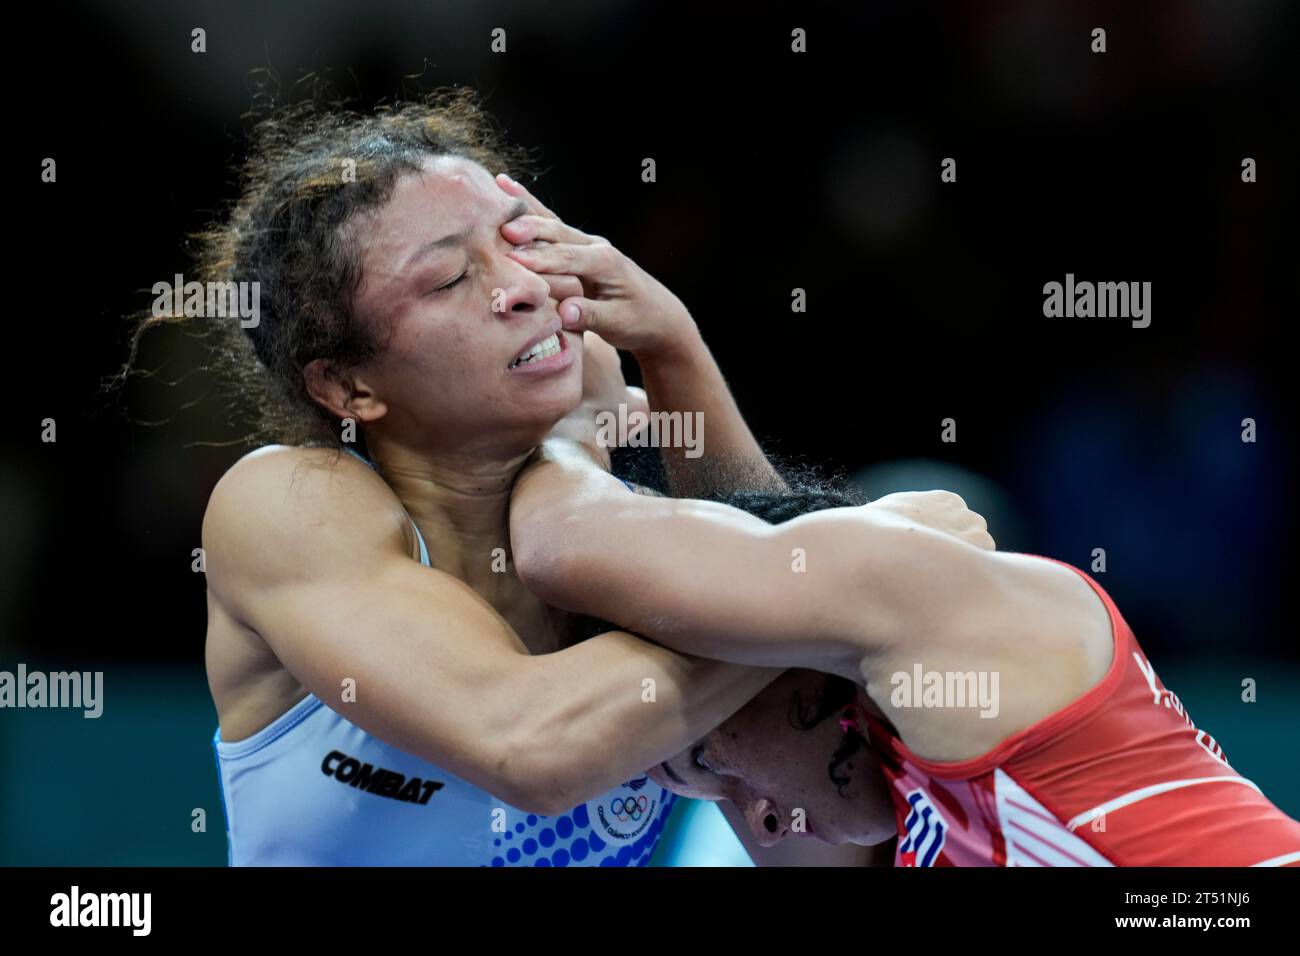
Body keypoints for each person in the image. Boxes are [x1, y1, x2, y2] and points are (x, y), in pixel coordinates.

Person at [139, 88, 809, 865]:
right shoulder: (285, 505)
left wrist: (675, 350)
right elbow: (528, 746)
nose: (522, 287)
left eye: (519, 243)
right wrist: (836, 587)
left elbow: (824, 848)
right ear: (349, 388)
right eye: (450, 279)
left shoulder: (628, 540)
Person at [507, 394, 1300, 866]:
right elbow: (765, 546)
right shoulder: (915, 789)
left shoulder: (955, 643)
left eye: (710, 758)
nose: (763, 822)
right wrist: (669, 342)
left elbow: (558, 545)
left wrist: (573, 426)